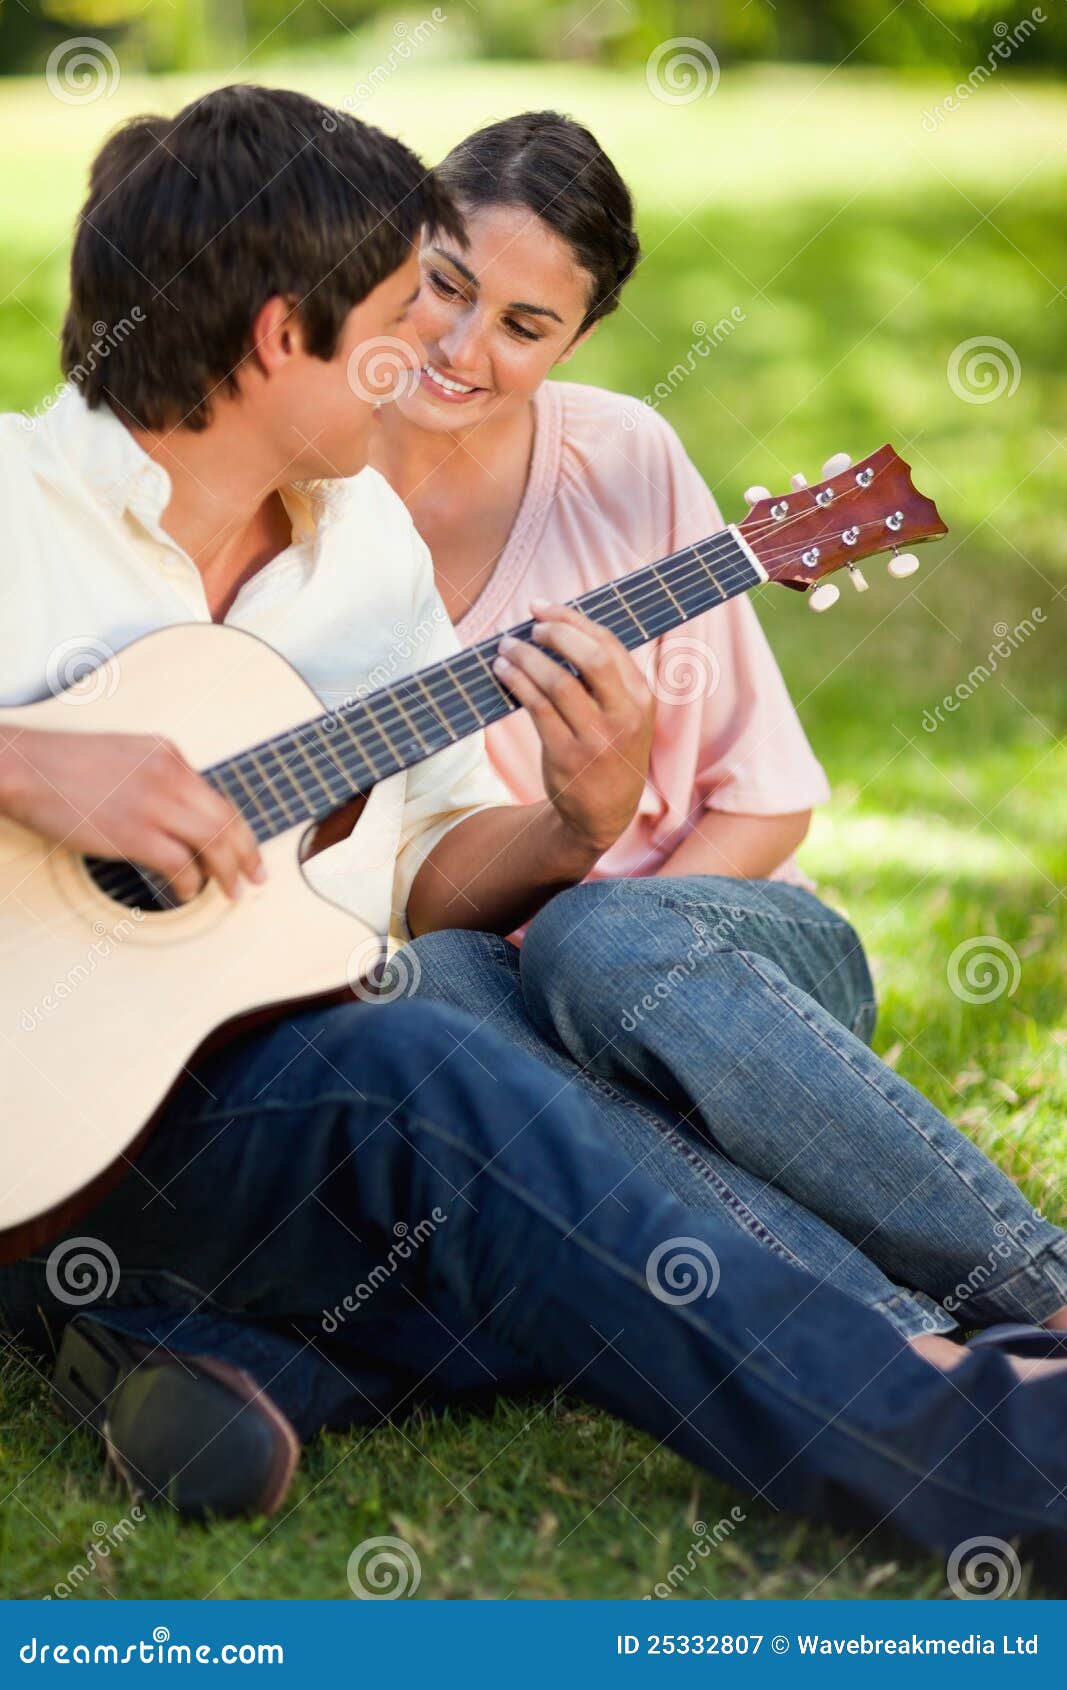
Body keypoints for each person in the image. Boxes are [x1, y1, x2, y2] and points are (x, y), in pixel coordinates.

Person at [2, 88, 1067, 1578]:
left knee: (462, 1100)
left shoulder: (356, 547)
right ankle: (992, 1446)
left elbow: (429, 868)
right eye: (400, 309)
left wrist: (575, 821)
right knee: (437, 1077)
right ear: (274, 337)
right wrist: (28, 765)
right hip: (64, 1121)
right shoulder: (12, 505)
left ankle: (179, 1341)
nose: (432, 359)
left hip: (228, 1112)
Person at [371, 111, 1067, 1359]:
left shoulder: (621, 460)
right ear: (399, 246)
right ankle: (924, 1362)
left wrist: (599, 979)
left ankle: (1040, 1291)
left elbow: (766, 804)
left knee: (594, 938)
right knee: (426, 993)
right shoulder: (302, 481)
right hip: (488, 993)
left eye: (525, 327)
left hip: (722, 974)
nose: (463, 346)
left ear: (575, 341)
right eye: (445, 284)